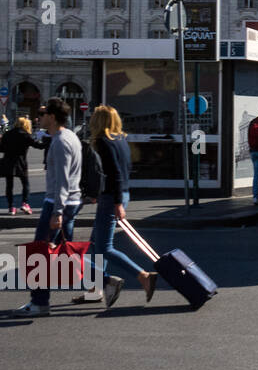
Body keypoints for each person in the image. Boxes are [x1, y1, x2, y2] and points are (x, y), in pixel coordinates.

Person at [77, 105, 157, 308]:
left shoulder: (104, 141)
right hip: (118, 194)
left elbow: (114, 173)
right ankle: (95, 290)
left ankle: (143, 275)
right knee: (96, 244)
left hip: (112, 197)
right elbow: (124, 170)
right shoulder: (121, 139)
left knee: (104, 247)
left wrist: (117, 202)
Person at [12, 98, 81, 317]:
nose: (39, 118)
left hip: (58, 203)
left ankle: (39, 302)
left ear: (52, 117)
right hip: (70, 200)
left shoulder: (60, 141)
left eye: (42, 115)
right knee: (63, 252)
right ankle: (105, 281)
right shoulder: (70, 137)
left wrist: (57, 212)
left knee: (39, 253)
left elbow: (61, 180)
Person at [2, 116, 41, 215]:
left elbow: (1, 148)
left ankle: (11, 207)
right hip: (21, 163)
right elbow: (37, 145)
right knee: (25, 184)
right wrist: (48, 141)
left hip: (8, 162)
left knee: (9, 185)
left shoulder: (7, 134)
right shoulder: (25, 135)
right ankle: (25, 203)